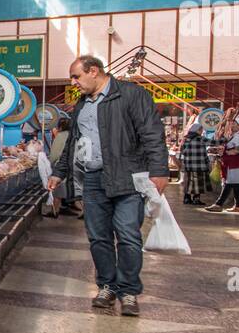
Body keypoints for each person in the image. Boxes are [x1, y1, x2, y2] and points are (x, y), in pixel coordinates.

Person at [48, 56, 168, 318]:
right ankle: (106, 286)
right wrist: (60, 172)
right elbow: (72, 143)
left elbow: (152, 133)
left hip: (127, 177)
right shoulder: (82, 105)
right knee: (98, 237)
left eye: (76, 76)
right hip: (93, 180)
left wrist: (159, 170)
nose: (73, 82)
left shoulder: (132, 95)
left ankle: (128, 291)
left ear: (94, 71)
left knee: (127, 235)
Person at [205, 116, 239, 213]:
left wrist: (229, 152)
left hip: (235, 163)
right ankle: (238, 206)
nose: (232, 125)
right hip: (237, 163)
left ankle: (219, 204)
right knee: (234, 184)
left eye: (235, 124)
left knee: (230, 184)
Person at [178, 124, 210, 205]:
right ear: (197, 130)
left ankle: (186, 198)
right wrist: (225, 140)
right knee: (198, 183)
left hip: (188, 165)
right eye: (201, 130)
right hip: (199, 165)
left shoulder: (186, 139)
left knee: (188, 182)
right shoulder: (200, 138)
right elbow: (213, 142)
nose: (202, 132)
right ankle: (196, 199)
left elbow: (182, 150)